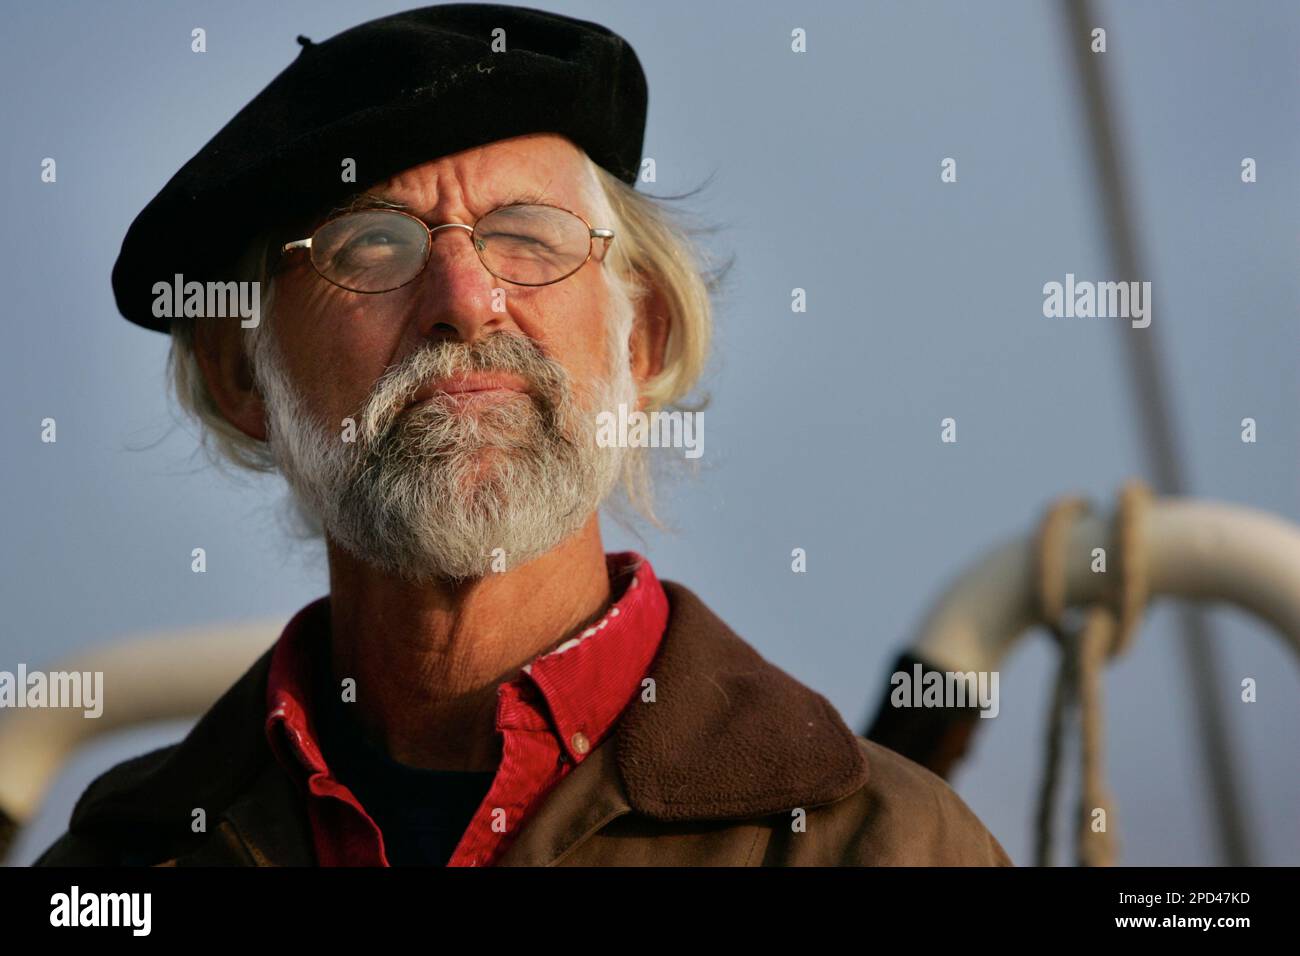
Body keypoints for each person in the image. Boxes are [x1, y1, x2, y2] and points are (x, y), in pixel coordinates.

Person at [36, 3, 1010, 867]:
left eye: (528, 236)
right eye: (372, 243)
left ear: (645, 335)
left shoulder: (881, 844)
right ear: (242, 371)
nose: (466, 301)